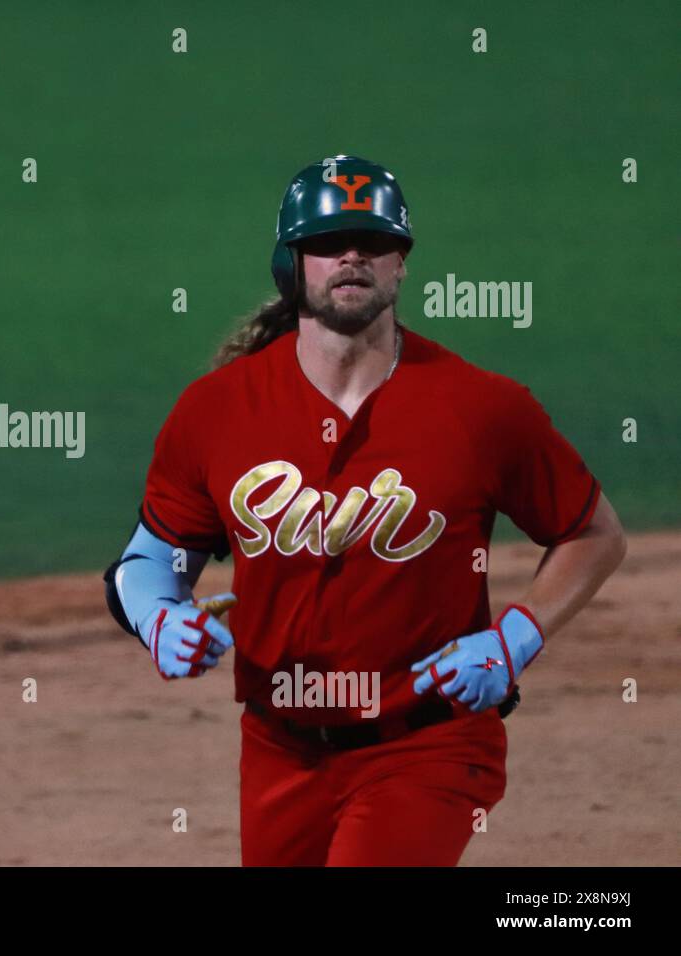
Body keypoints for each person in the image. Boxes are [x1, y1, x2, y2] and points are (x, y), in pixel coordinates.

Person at [103, 155, 626, 865]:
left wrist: (513, 641)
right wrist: (156, 616)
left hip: (428, 745)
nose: (351, 255)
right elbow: (148, 561)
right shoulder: (217, 411)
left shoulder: (481, 408)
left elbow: (592, 533)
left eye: (373, 241)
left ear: (401, 264)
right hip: (278, 753)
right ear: (295, 264)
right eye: (327, 242)